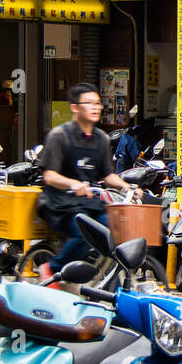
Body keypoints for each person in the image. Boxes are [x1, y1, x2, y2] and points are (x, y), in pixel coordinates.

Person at [36, 83, 134, 286]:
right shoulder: (59, 135)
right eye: (88, 103)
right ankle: (52, 268)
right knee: (86, 233)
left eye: (98, 103)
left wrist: (127, 188)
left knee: (113, 229)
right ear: (74, 108)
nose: (95, 108)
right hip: (60, 203)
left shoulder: (101, 138)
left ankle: (106, 281)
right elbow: (50, 176)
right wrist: (73, 184)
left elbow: (107, 175)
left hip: (89, 202)